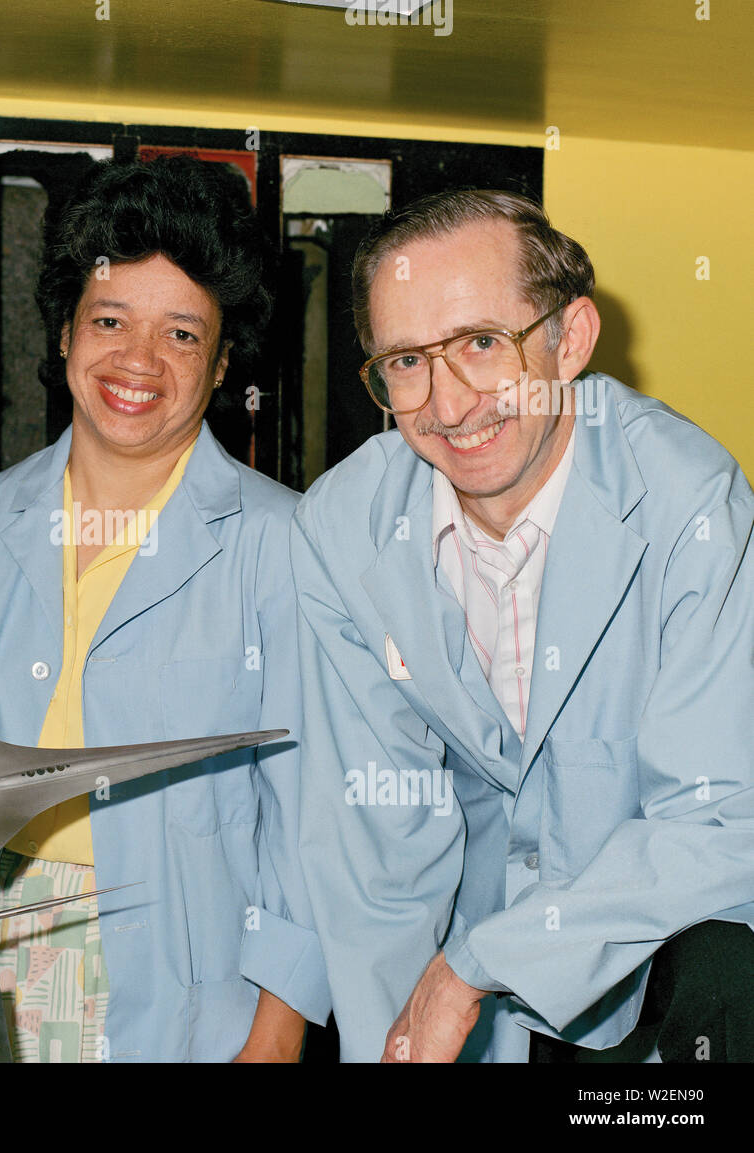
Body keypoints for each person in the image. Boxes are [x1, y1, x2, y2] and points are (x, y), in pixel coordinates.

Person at [275, 188, 754, 1062]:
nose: (449, 405)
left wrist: (480, 964)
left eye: (483, 345)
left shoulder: (692, 503)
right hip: (465, 998)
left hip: (667, 981)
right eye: (406, 363)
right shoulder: (340, 528)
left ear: (569, 339)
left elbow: (720, 821)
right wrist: (400, 1039)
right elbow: (378, 841)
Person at [0, 155, 319, 1062]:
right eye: (109, 319)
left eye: (183, 334)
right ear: (68, 331)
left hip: (188, 987)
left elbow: (309, 818)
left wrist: (274, 1041)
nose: (138, 361)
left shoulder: (283, 543)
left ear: (225, 359)